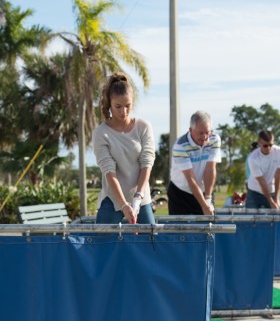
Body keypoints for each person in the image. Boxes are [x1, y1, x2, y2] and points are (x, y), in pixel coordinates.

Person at [92, 73, 156, 224]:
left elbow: (147, 162)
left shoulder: (143, 127)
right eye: (118, 107)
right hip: (112, 200)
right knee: (103, 245)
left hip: (141, 198)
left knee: (151, 243)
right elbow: (108, 170)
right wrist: (124, 205)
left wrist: (137, 198)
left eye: (128, 106)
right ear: (109, 104)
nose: (124, 112)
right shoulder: (101, 133)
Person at [167, 110, 221, 215]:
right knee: (182, 229)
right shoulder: (180, 146)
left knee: (208, 229)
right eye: (201, 133)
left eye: (207, 132)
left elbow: (210, 169)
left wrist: (208, 200)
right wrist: (204, 206)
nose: (205, 137)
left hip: (205, 192)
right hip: (181, 193)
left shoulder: (214, 139)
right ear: (191, 130)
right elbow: (191, 179)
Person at [245, 130, 280, 209]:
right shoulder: (253, 158)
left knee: (279, 216)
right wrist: (271, 201)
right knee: (250, 219)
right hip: (254, 192)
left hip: (272, 190)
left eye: (271, 145)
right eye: (265, 145)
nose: (269, 148)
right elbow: (262, 181)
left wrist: (276, 198)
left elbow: (278, 175)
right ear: (259, 143)